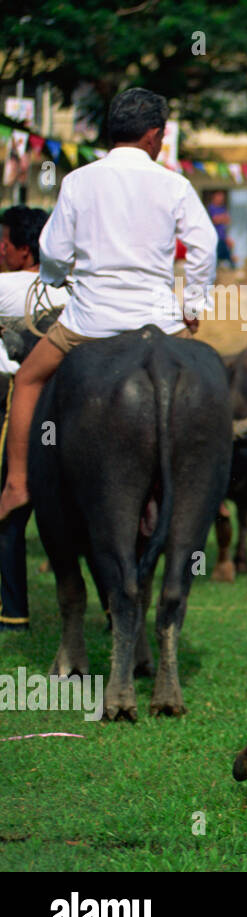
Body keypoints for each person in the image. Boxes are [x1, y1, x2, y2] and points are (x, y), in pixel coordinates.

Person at [0, 88, 215, 522]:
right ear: (154, 136)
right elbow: (204, 244)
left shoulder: (79, 180)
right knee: (209, 385)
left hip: (88, 322)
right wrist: (193, 304)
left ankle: (16, 485)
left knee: (26, 380)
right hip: (160, 325)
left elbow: (54, 249)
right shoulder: (175, 184)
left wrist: (57, 276)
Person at [0, 206, 69, 631]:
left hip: (22, 408)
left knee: (8, 507)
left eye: (4, 242)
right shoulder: (77, 288)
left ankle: (12, 612)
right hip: (74, 405)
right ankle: (116, 613)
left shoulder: (5, 286)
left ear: (25, 250)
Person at [207, 190, 235, 269]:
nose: (221, 199)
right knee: (215, 259)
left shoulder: (223, 208)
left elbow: (228, 220)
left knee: (229, 260)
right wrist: (221, 218)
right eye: (219, 197)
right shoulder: (210, 208)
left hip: (223, 238)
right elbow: (214, 220)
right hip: (214, 238)